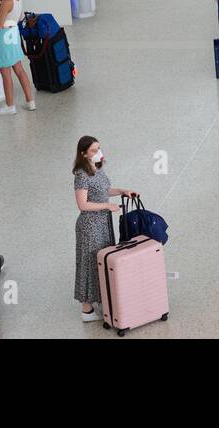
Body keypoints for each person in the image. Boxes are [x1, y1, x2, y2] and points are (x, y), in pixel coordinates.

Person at [72, 136, 137, 323]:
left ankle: (101, 297)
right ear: (83, 154)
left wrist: (123, 191)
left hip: (102, 224)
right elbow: (82, 204)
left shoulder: (97, 168)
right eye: (93, 151)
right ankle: (86, 309)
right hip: (90, 226)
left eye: (98, 148)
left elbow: (104, 190)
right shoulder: (81, 175)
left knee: (101, 260)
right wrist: (108, 207)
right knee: (88, 263)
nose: (98, 153)